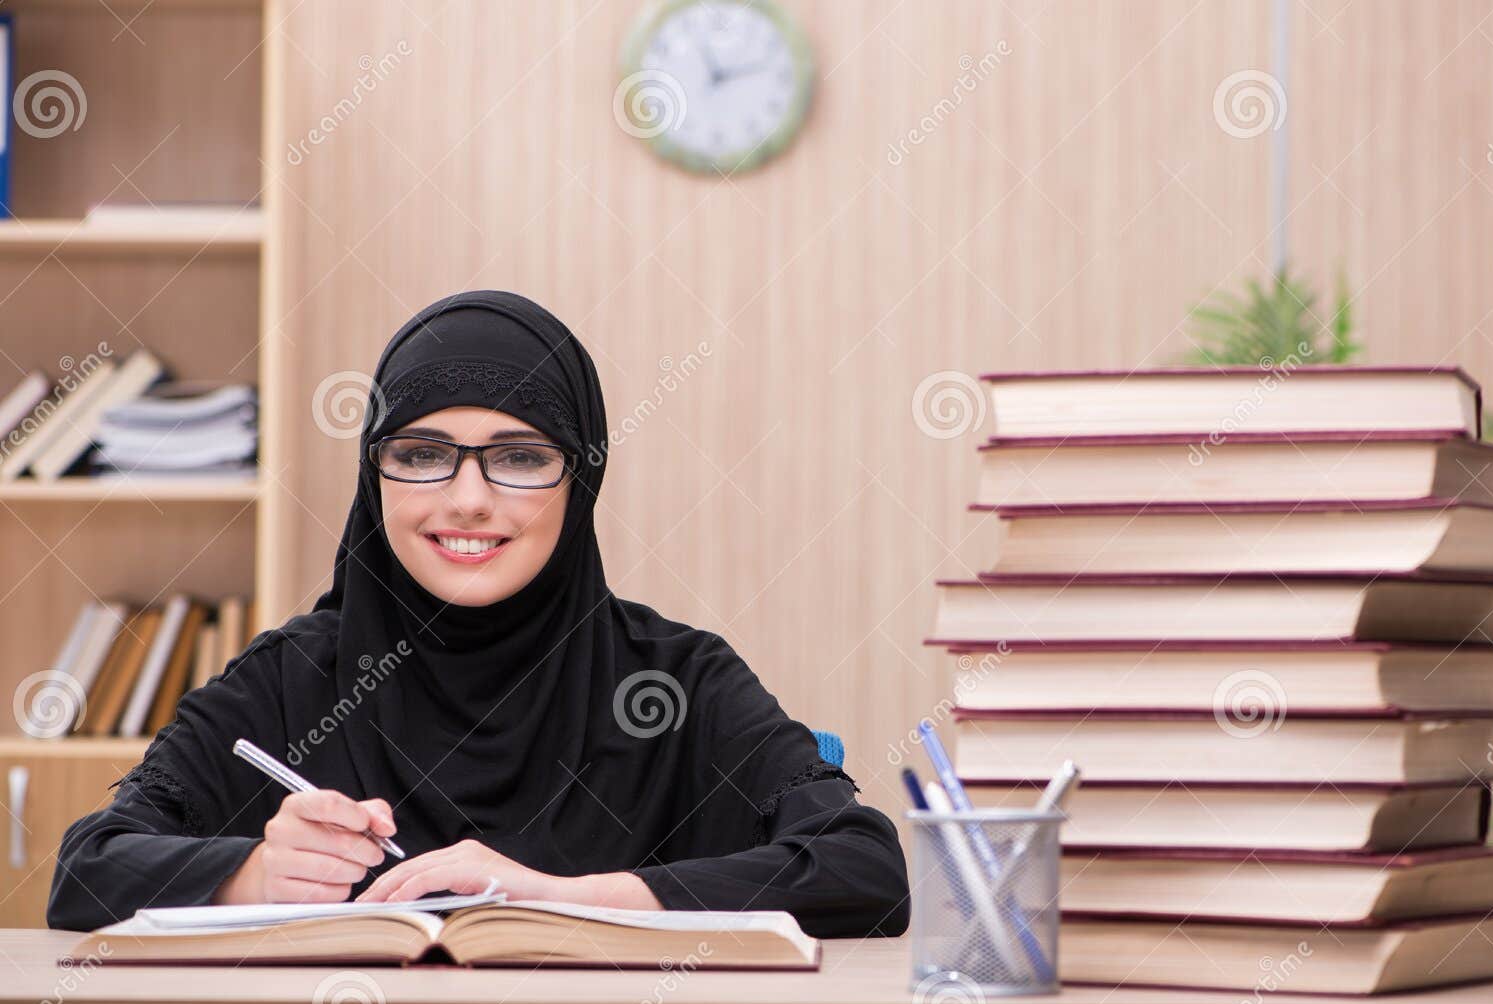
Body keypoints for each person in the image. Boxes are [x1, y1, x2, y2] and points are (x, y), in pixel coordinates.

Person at [47, 290, 910, 939]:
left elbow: (866, 869)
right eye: (421, 454)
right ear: (372, 473)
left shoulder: (672, 680)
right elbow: (85, 875)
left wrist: (563, 903)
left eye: (520, 457)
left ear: (582, 481)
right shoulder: (287, 680)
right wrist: (258, 872)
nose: (467, 499)